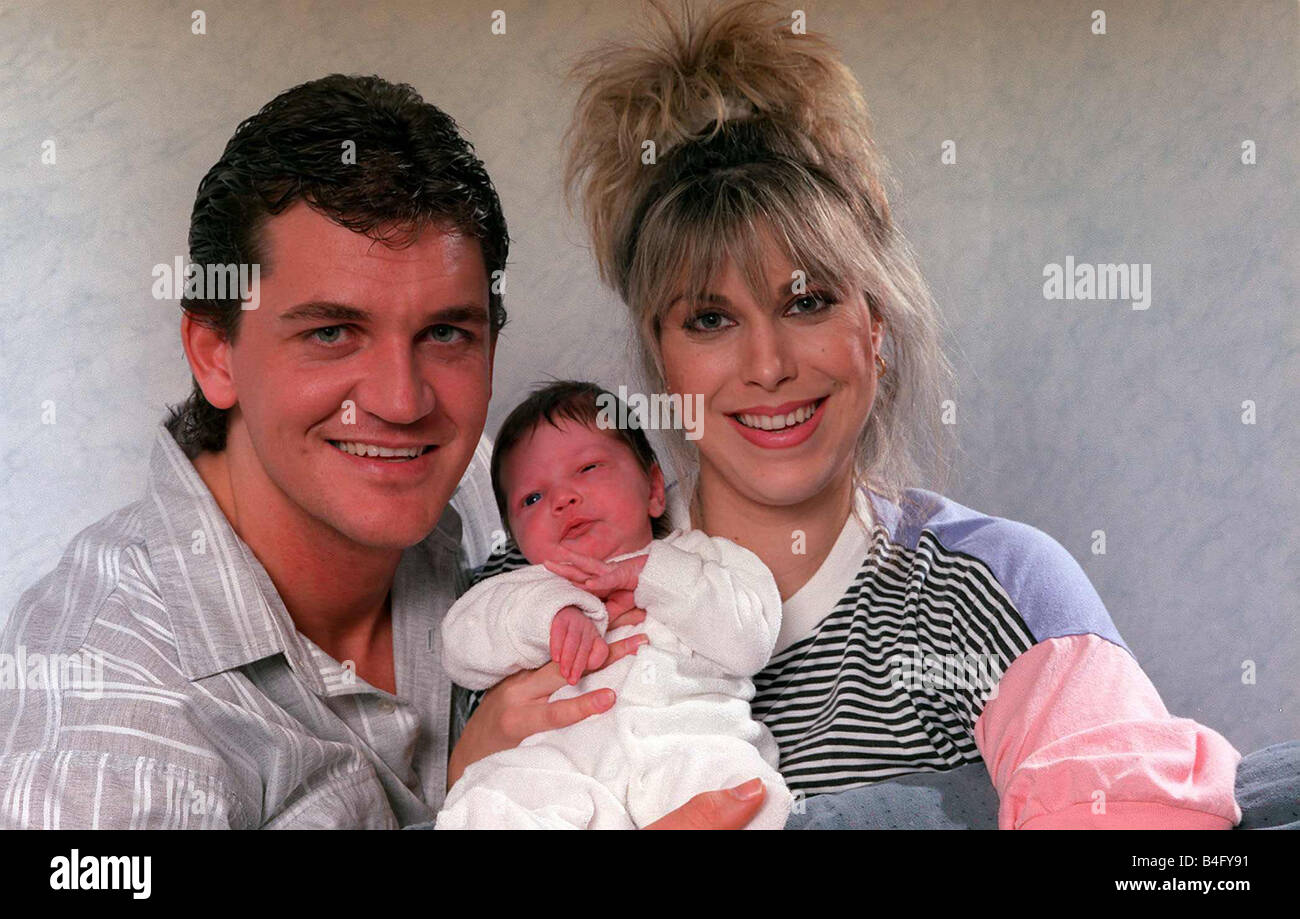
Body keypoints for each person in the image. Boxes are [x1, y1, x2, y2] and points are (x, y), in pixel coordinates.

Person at [0, 74, 764, 829]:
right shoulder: (107, 717)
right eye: (331, 332)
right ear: (215, 354)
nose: (402, 403)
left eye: (445, 333)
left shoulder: (463, 482)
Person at [549, 0, 1243, 827]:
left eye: (807, 301)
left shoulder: (995, 586)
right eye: (710, 318)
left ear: (873, 328)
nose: (768, 366)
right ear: (661, 353)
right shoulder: (568, 587)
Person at [435, 381, 792, 829]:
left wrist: (649, 575)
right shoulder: (525, 587)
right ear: (517, 540)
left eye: (587, 468)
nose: (563, 499)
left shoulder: (704, 559)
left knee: (744, 791)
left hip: (686, 748)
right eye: (532, 498)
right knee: (489, 798)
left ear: (654, 488)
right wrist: (552, 613)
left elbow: (749, 642)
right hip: (561, 770)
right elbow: (460, 645)